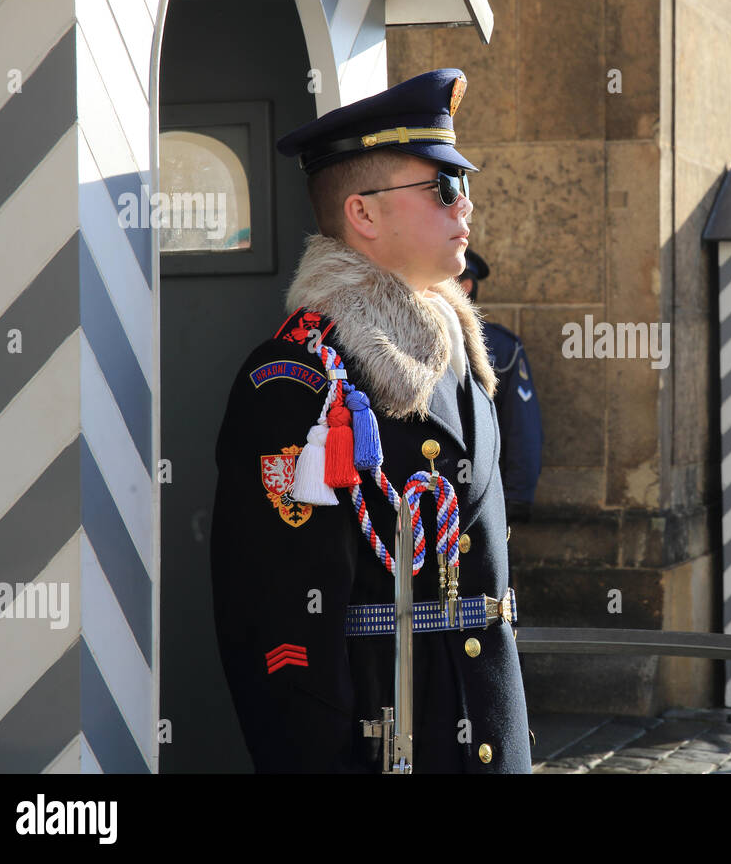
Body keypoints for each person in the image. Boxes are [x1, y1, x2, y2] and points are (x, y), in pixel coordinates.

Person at [208, 69, 532, 773]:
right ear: (363, 213)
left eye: (464, 184)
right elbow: (279, 620)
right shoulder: (298, 382)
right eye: (443, 187)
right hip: (390, 746)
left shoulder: (454, 346)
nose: (465, 204)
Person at [457, 250, 544, 522]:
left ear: (465, 286)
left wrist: (517, 496)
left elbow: (522, 428)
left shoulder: (501, 348)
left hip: (482, 499)